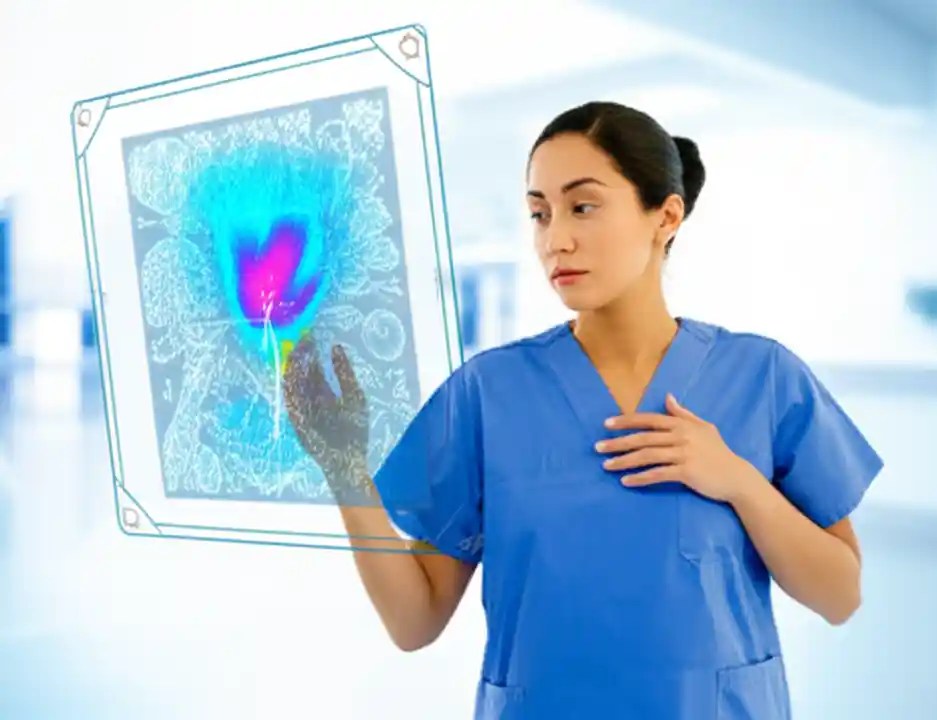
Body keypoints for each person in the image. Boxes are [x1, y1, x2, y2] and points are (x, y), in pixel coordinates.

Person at [283, 100, 884, 719]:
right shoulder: (489, 393)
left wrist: (738, 482)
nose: (555, 239)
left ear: (666, 216)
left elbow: (840, 595)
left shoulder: (762, 377)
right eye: (538, 213)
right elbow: (415, 621)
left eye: (583, 206)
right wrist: (343, 465)